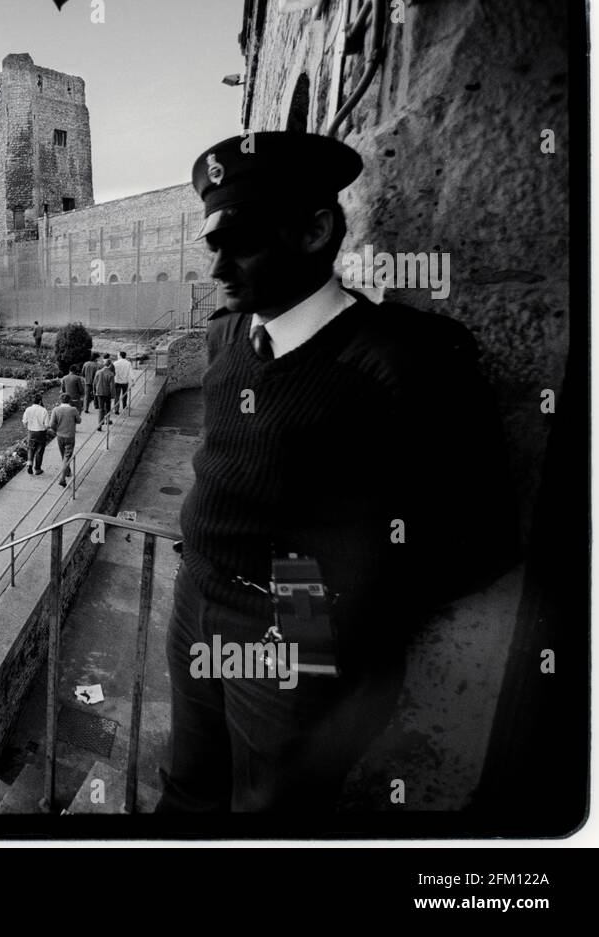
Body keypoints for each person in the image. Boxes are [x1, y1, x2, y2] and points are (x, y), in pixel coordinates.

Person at [155, 131, 519, 814]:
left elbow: (483, 538)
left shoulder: (403, 363)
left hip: (290, 628)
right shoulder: (227, 337)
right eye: (215, 245)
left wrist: (326, 607)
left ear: (316, 230)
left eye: (245, 243)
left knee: (272, 806)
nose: (221, 270)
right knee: (188, 784)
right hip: (195, 596)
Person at [47, 394, 81, 488]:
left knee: (64, 456)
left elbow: (51, 424)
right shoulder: (73, 410)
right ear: (69, 400)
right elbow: (79, 421)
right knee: (67, 456)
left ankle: (68, 471)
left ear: (60, 400)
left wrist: (56, 430)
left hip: (60, 436)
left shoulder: (56, 410)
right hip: (70, 436)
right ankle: (62, 478)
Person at [22, 392, 50, 475]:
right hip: (41, 433)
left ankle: (29, 464)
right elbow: (47, 425)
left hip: (31, 432)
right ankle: (37, 469)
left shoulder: (28, 409)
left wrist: (28, 427)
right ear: (40, 401)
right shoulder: (43, 410)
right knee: (39, 451)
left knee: (30, 449)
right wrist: (44, 428)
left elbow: (24, 422)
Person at [93, 355, 115, 430]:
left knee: (101, 408)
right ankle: (107, 420)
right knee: (108, 407)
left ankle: (99, 425)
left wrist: (94, 391)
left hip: (99, 392)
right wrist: (113, 395)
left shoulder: (98, 372)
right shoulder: (111, 374)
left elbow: (94, 383)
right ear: (110, 365)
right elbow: (112, 386)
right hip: (107, 393)